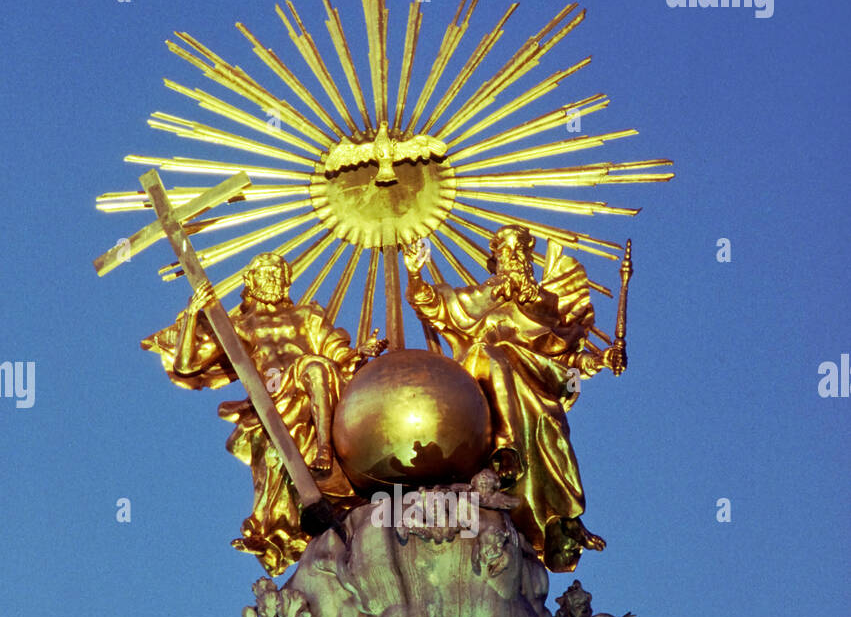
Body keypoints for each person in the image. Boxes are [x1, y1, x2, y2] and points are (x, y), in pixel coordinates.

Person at [143, 252, 383, 572]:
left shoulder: (308, 316)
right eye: (265, 274)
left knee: (313, 365)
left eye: (279, 275)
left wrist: (360, 354)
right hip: (274, 404)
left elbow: (336, 355)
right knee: (310, 372)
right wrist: (191, 314)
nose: (273, 280)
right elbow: (187, 365)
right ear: (250, 282)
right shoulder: (241, 327)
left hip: (320, 393)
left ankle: (326, 447)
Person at [404, 225, 624, 571]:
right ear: (495, 262)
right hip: (478, 387)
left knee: (551, 438)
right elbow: (431, 304)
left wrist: (601, 359)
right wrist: (415, 272)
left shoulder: (546, 306)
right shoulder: (480, 300)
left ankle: (560, 518)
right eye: (507, 254)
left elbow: (566, 357)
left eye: (521, 254)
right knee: (489, 354)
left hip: (536, 386)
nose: (515, 260)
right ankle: (503, 452)